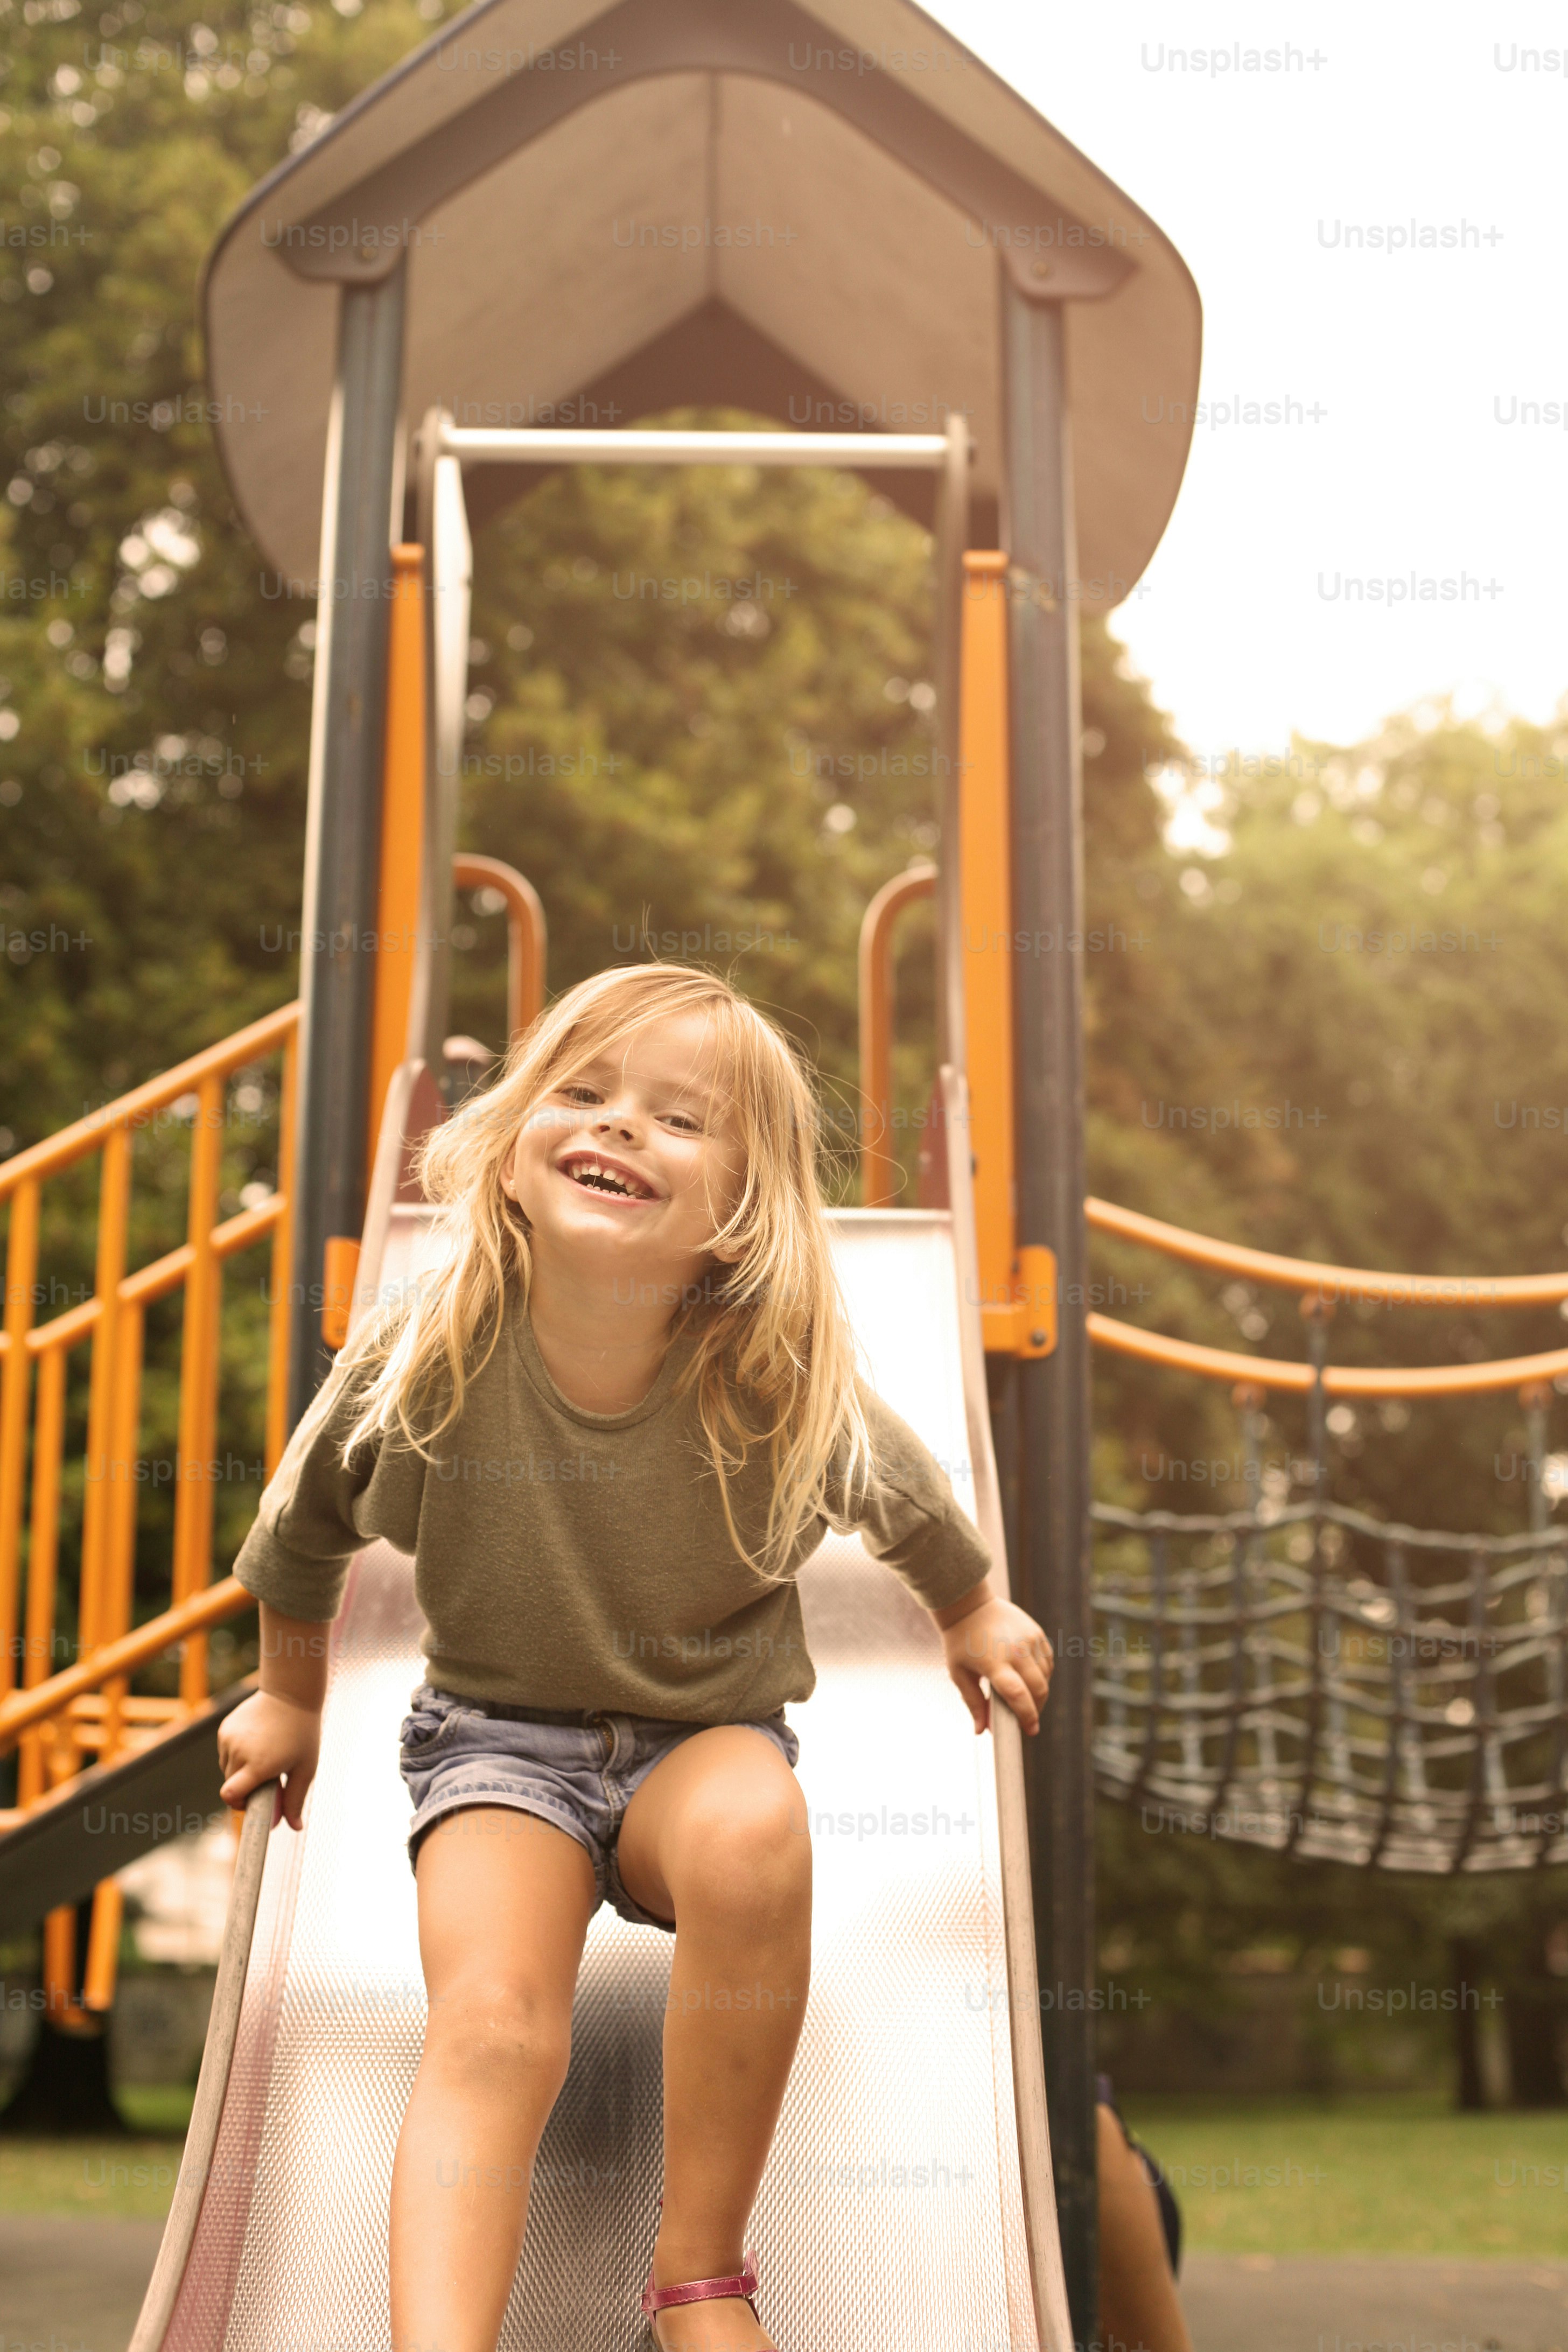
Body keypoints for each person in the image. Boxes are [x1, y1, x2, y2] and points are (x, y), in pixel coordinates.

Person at [217, 962, 1054, 2352]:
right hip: (496, 1743)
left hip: (699, 1739)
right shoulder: (428, 1352)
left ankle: (698, 2275)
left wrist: (971, 1610)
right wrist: (293, 1700)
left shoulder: (771, 1368)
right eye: (585, 1092)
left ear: (742, 1205)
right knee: (492, 2018)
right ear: (514, 1143)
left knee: (754, 1828)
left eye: (679, 1117)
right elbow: (299, 1529)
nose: (617, 1128)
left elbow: (898, 1491)